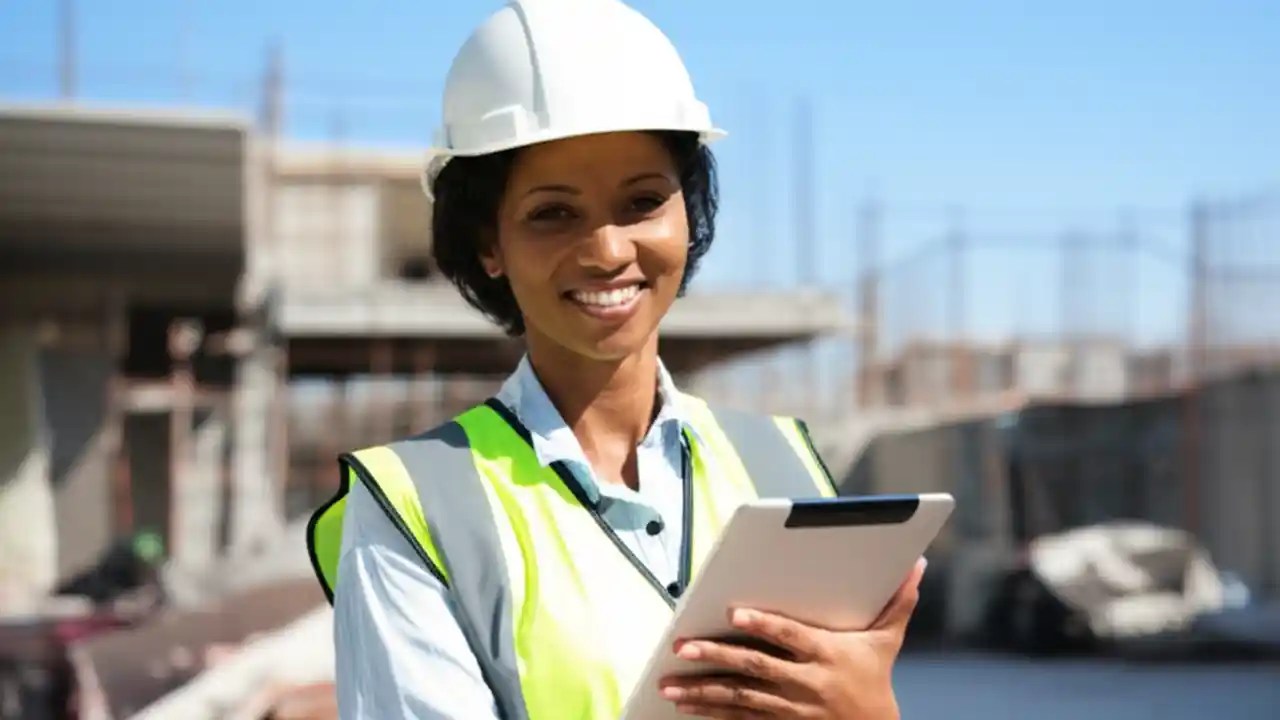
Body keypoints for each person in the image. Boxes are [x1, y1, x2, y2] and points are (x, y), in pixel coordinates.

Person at [305, 1, 925, 718]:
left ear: (688, 214)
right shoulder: (412, 507)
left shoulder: (785, 466)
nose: (607, 251)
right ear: (489, 244)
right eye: (553, 213)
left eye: (642, 201)